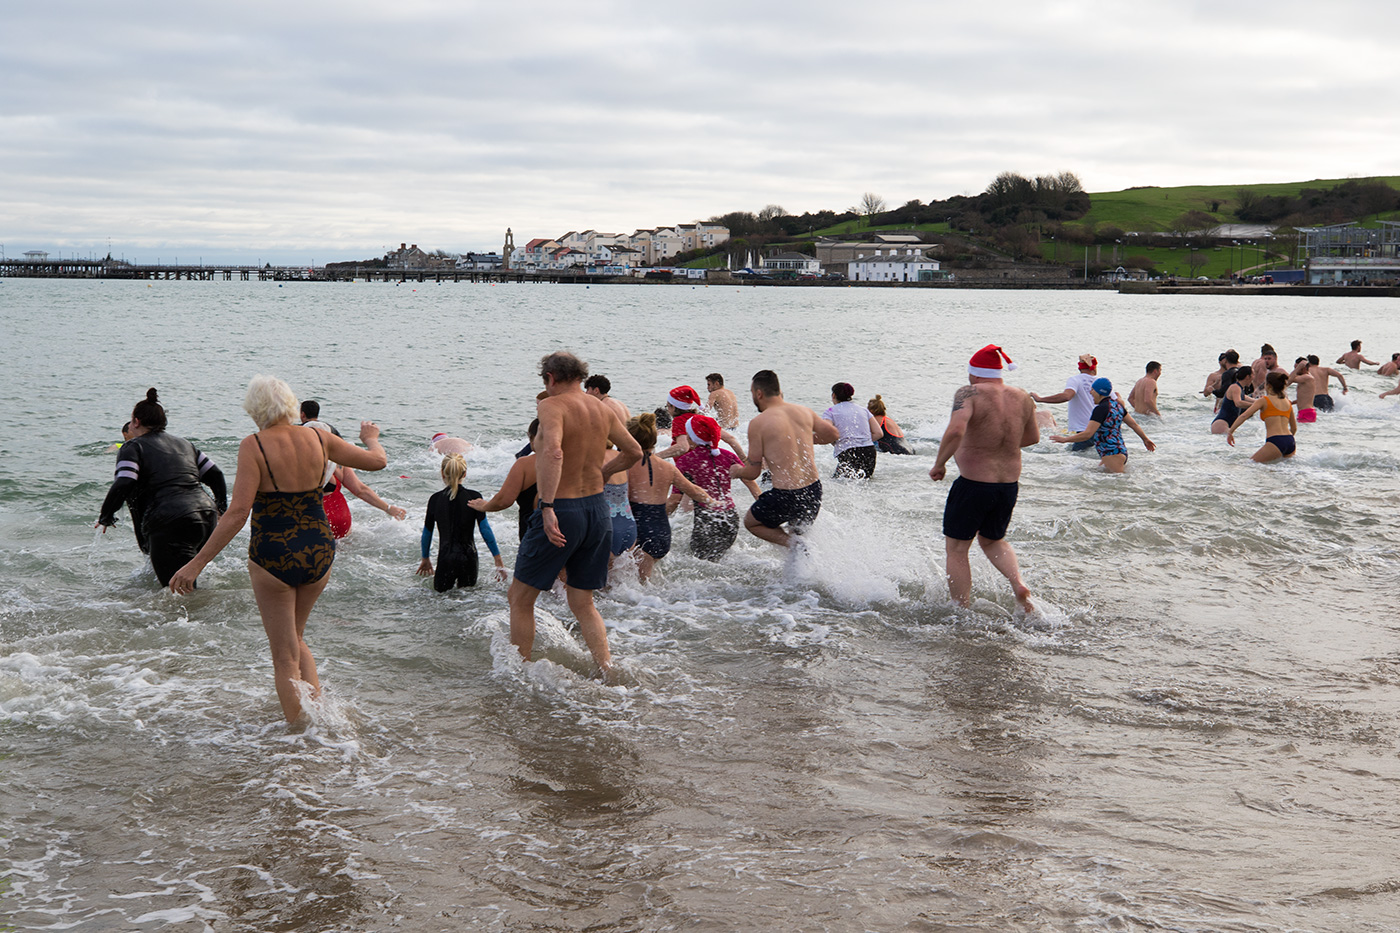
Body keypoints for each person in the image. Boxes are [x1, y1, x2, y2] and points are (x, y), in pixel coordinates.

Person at [167, 375, 388, 724]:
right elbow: (377, 462)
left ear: (254, 409)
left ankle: (300, 740)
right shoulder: (319, 436)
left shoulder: (253, 446)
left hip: (273, 554)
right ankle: (319, 722)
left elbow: (238, 513)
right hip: (319, 549)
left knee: (284, 656)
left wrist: (196, 564)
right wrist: (371, 439)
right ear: (290, 403)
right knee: (297, 640)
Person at [507, 351, 641, 679]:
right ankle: (607, 668)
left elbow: (553, 451)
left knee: (520, 597)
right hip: (598, 510)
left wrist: (549, 507)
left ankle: (518, 674)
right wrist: (603, 474)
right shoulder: (602, 408)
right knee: (583, 601)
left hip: (563, 508)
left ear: (550, 378)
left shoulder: (550, 406)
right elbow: (635, 451)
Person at [929, 344, 1037, 614]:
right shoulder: (1023, 396)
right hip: (1008, 485)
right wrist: (1001, 444)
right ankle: (1019, 584)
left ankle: (960, 609)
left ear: (974, 374)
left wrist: (939, 464)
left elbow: (955, 430)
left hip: (974, 484)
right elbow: (1032, 438)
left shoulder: (969, 393)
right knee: (993, 540)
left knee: (956, 549)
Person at [97, 389, 227, 587]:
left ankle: (188, 618)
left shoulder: (132, 447)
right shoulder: (185, 444)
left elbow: (125, 481)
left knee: (175, 590)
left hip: (172, 519)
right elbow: (216, 475)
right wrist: (222, 507)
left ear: (136, 422)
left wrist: (106, 515)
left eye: (131, 422)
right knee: (186, 583)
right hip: (206, 517)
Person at [730, 369, 840, 548]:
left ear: (759, 393)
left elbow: (752, 472)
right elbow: (833, 434)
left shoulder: (758, 423)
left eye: (752, 393)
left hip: (786, 495)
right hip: (813, 490)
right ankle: (802, 567)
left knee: (752, 522)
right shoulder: (804, 411)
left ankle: (796, 545)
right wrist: (803, 438)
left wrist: (737, 471)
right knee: (799, 532)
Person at [624, 412, 712, 580]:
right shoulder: (668, 467)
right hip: (663, 533)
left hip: (641, 533)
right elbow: (695, 491)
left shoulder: (628, 466)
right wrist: (714, 502)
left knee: (638, 589)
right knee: (651, 582)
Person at [304, 420, 407, 537]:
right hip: (341, 524)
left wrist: (388, 508)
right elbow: (360, 490)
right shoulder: (337, 464)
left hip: (314, 524)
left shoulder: (294, 465)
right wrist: (388, 508)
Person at [417, 453, 504, 591]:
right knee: (468, 602)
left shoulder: (435, 499)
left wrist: (425, 558)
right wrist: (498, 559)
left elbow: (427, 533)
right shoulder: (474, 497)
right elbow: (485, 529)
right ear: (464, 474)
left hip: (445, 559)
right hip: (468, 559)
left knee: (441, 602)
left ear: (442, 473)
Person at [675, 414, 746, 562]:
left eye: (688, 434)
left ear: (693, 438)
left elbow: (674, 499)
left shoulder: (686, 461)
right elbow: (751, 482)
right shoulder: (728, 456)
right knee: (722, 562)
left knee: (700, 564)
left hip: (707, 519)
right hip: (731, 519)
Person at [1051, 377, 1156, 472]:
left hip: (1112, 454)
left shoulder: (1100, 409)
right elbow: (1134, 424)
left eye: (1093, 390)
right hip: (1119, 451)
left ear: (1099, 392)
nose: (1091, 392)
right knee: (1098, 477)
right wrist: (1145, 439)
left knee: (1117, 487)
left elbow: (1088, 434)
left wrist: (1065, 440)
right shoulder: (1117, 406)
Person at [469, 420, 541, 542]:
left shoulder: (524, 465)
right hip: (574, 529)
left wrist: (484, 506)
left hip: (535, 533)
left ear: (533, 439)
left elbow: (504, 501)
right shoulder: (574, 463)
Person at [1031, 353, 1099, 451]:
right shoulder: (1102, 382)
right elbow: (1117, 401)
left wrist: (1040, 399)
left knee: (1077, 460)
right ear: (1094, 368)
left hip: (1083, 431)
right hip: (1102, 430)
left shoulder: (1075, 380)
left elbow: (1066, 396)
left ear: (1079, 368)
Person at [1227, 371, 1297, 463]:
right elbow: (1294, 428)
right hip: (1290, 441)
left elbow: (1244, 415)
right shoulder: (1287, 402)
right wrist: (1285, 441)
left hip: (1275, 441)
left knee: (1249, 464)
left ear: (1268, 386)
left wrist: (1230, 432)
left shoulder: (1264, 400)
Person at [823, 382, 883, 478]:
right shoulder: (863, 410)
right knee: (864, 484)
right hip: (869, 451)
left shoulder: (830, 411)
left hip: (848, 452)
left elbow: (827, 433)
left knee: (839, 483)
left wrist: (836, 442)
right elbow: (879, 433)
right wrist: (861, 440)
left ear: (833, 395)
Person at [1211, 367, 1255, 435]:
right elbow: (1238, 403)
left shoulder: (1239, 388)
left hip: (1226, 424)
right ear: (1247, 377)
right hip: (1221, 424)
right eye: (1253, 375)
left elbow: (1247, 398)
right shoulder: (1235, 387)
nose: (1254, 377)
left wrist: (1262, 402)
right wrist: (1255, 406)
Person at [1289, 357, 1318, 423]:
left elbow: (1289, 380)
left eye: (1297, 368)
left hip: (1307, 412)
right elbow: (1305, 396)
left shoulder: (1307, 377)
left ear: (1304, 368)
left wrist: (1298, 368)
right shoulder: (1305, 378)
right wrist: (1292, 402)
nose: (1295, 370)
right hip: (1304, 411)